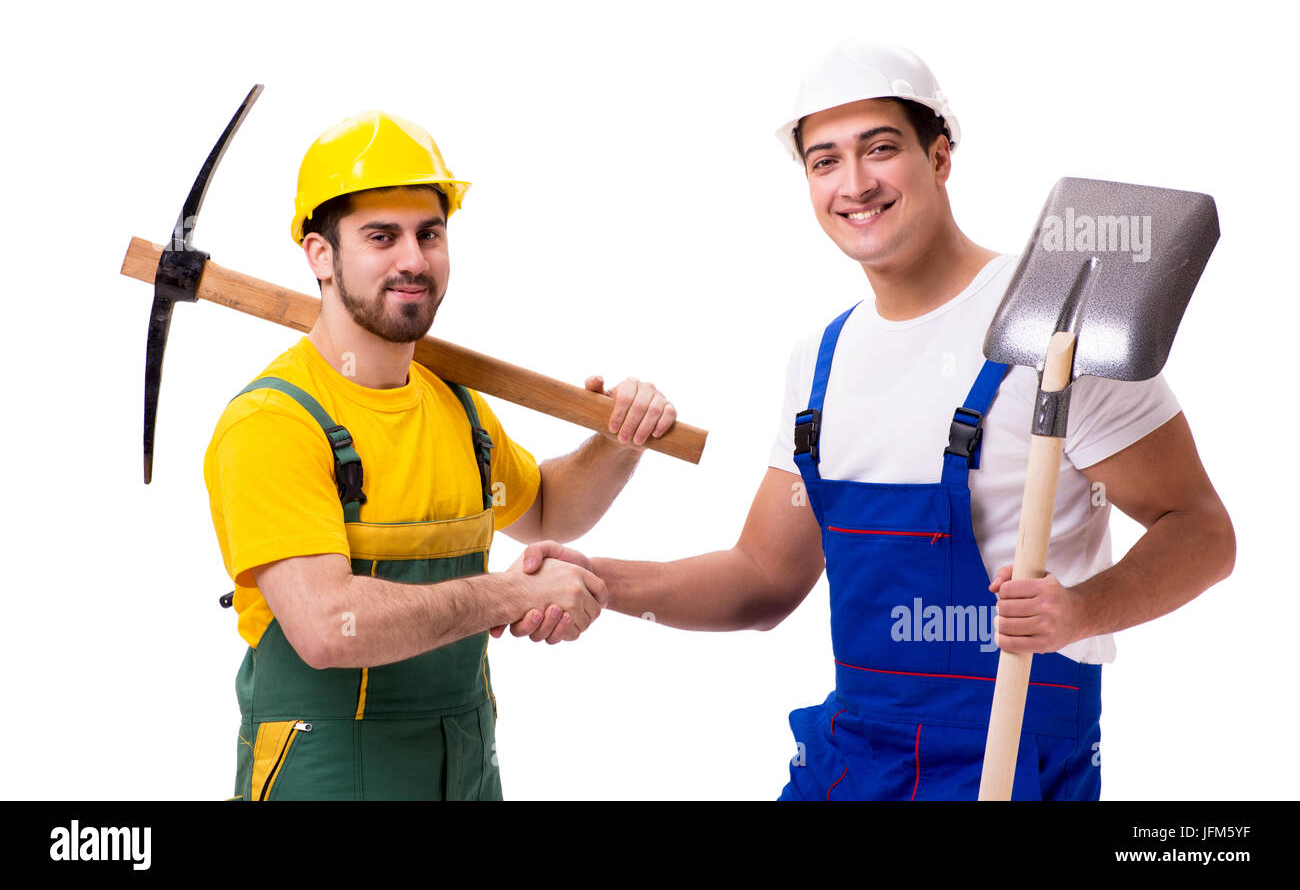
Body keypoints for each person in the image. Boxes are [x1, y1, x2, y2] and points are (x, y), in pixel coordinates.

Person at [560, 41, 1235, 799]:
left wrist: (1078, 611)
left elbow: (1203, 532)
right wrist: (597, 579)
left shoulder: (1056, 326)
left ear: (940, 157)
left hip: (1009, 762)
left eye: (880, 149)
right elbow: (761, 578)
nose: (854, 184)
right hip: (853, 760)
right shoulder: (821, 359)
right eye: (824, 161)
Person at [204, 110, 675, 800]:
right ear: (320, 255)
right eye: (381, 236)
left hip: (465, 765)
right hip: (324, 768)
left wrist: (618, 438)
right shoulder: (274, 422)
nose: (413, 260)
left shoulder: (454, 405)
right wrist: (513, 593)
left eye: (429, 233)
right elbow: (329, 626)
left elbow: (546, 509)